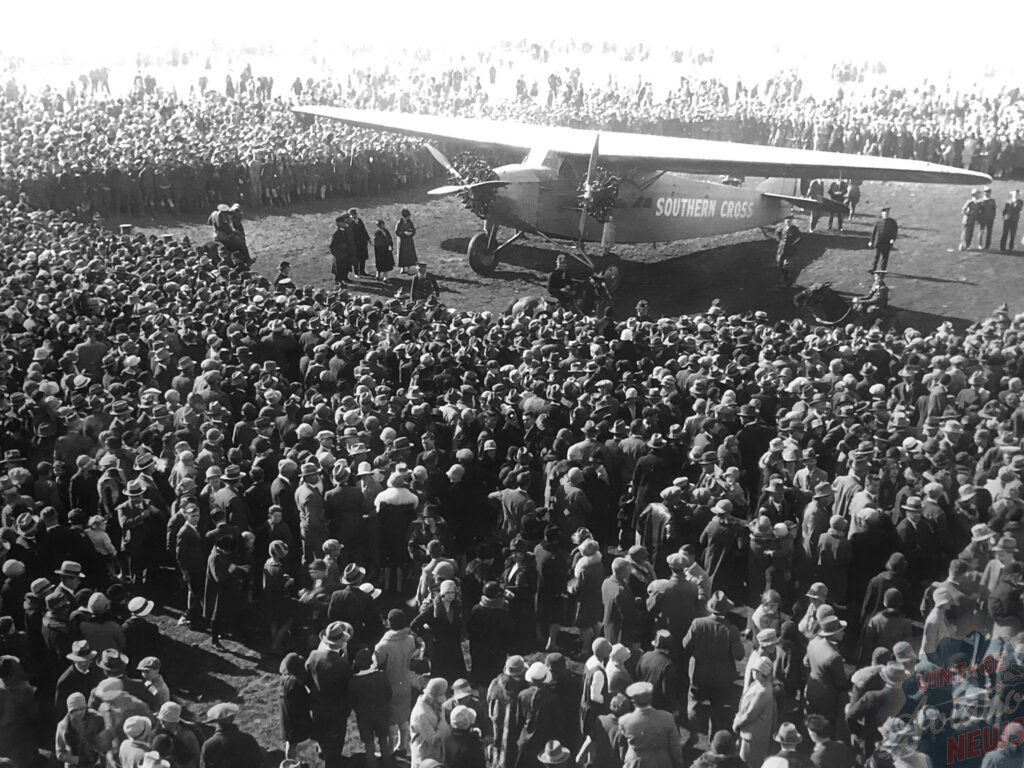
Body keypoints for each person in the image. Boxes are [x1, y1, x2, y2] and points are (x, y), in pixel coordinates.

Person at [616, 681, 683, 768]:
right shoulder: (667, 717)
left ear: (633, 701)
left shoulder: (624, 721)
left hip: (635, 763)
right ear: (651, 698)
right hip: (661, 762)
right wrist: (679, 764)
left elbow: (621, 744)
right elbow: (675, 746)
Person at [199, 703, 264, 768]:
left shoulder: (208, 745)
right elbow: (260, 763)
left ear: (216, 721)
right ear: (233, 718)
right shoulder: (248, 739)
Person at [868, 207, 898, 273]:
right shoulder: (878, 221)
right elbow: (874, 232)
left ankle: (883, 270)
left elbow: (895, 231)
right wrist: (871, 241)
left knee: (885, 257)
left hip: (887, 242)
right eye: (884, 213)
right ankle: (873, 268)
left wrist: (893, 239)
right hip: (878, 242)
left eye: (887, 213)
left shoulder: (892, 222)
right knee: (876, 256)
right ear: (882, 214)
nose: (886, 214)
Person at [775, 214, 801, 286]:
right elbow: (777, 232)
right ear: (785, 221)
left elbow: (800, 237)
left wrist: (794, 243)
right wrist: (780, 240)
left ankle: (786, 280)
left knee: (787, 265)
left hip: (789, 250)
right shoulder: (783, 228)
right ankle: (786, 274)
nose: (788, 222)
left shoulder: (794, 228)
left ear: (792, 221)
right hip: (781, 249)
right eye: (787, 221)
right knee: (779, 265)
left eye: (789, 221)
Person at [330, 214, 354, 284]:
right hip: (340, 254)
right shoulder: (336, 234)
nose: (344, 224)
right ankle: (339, 281)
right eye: (342, 222)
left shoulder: (346, 231)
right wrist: (340, 248)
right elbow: (333, 245)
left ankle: (345, 278)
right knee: (339, 268)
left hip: (346, 252)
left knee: (346, 267)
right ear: (338, 223)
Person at [350, 208, 371, 277]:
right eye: (352, 215)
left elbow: (364, 230)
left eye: (355, 214)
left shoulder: (360, 221)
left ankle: (362, 271)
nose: (354, 216)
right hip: (355, 243)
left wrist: (368, 239)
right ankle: (356, 272)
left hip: (363, 242)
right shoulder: (350, 223)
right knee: (356, 258)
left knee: (363, 257)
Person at [396, 209, 418, 274]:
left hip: (409, 241)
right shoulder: (399, 223)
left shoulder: (410, 222)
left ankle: (408, 268)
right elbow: (397, 232)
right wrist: (404, 233)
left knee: (409, 254)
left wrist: (411, 233)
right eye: (408, 216)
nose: (409, 217)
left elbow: (413, 230)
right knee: (402, 255)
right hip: (402, 241)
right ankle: (403, 268)